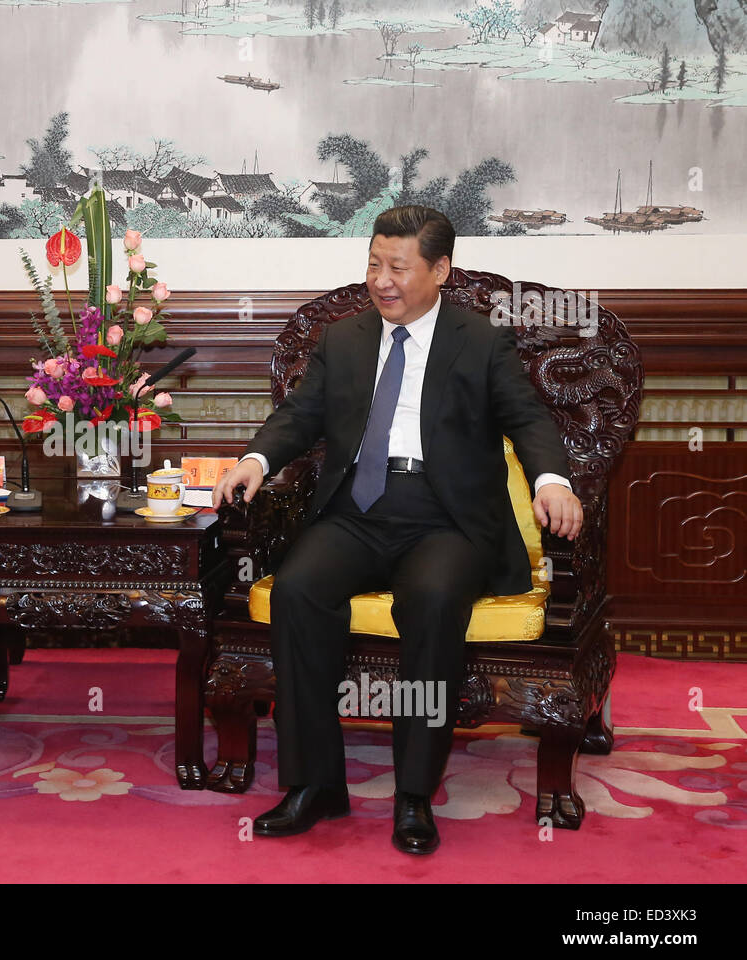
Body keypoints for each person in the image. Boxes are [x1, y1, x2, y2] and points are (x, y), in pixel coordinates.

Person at [212, 206, 582, 854]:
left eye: (398, 267)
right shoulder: (343, 337)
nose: (382, 280)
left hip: (445, 518)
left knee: (434, 599)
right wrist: (256, 458)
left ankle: (414, 793)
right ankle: (313, 784)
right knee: (298, 589)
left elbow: (528, 420)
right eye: (374, 264)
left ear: (440, 270)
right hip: (357, 510)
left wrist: (552, 480)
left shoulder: (479, 339)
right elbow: (299, 415)